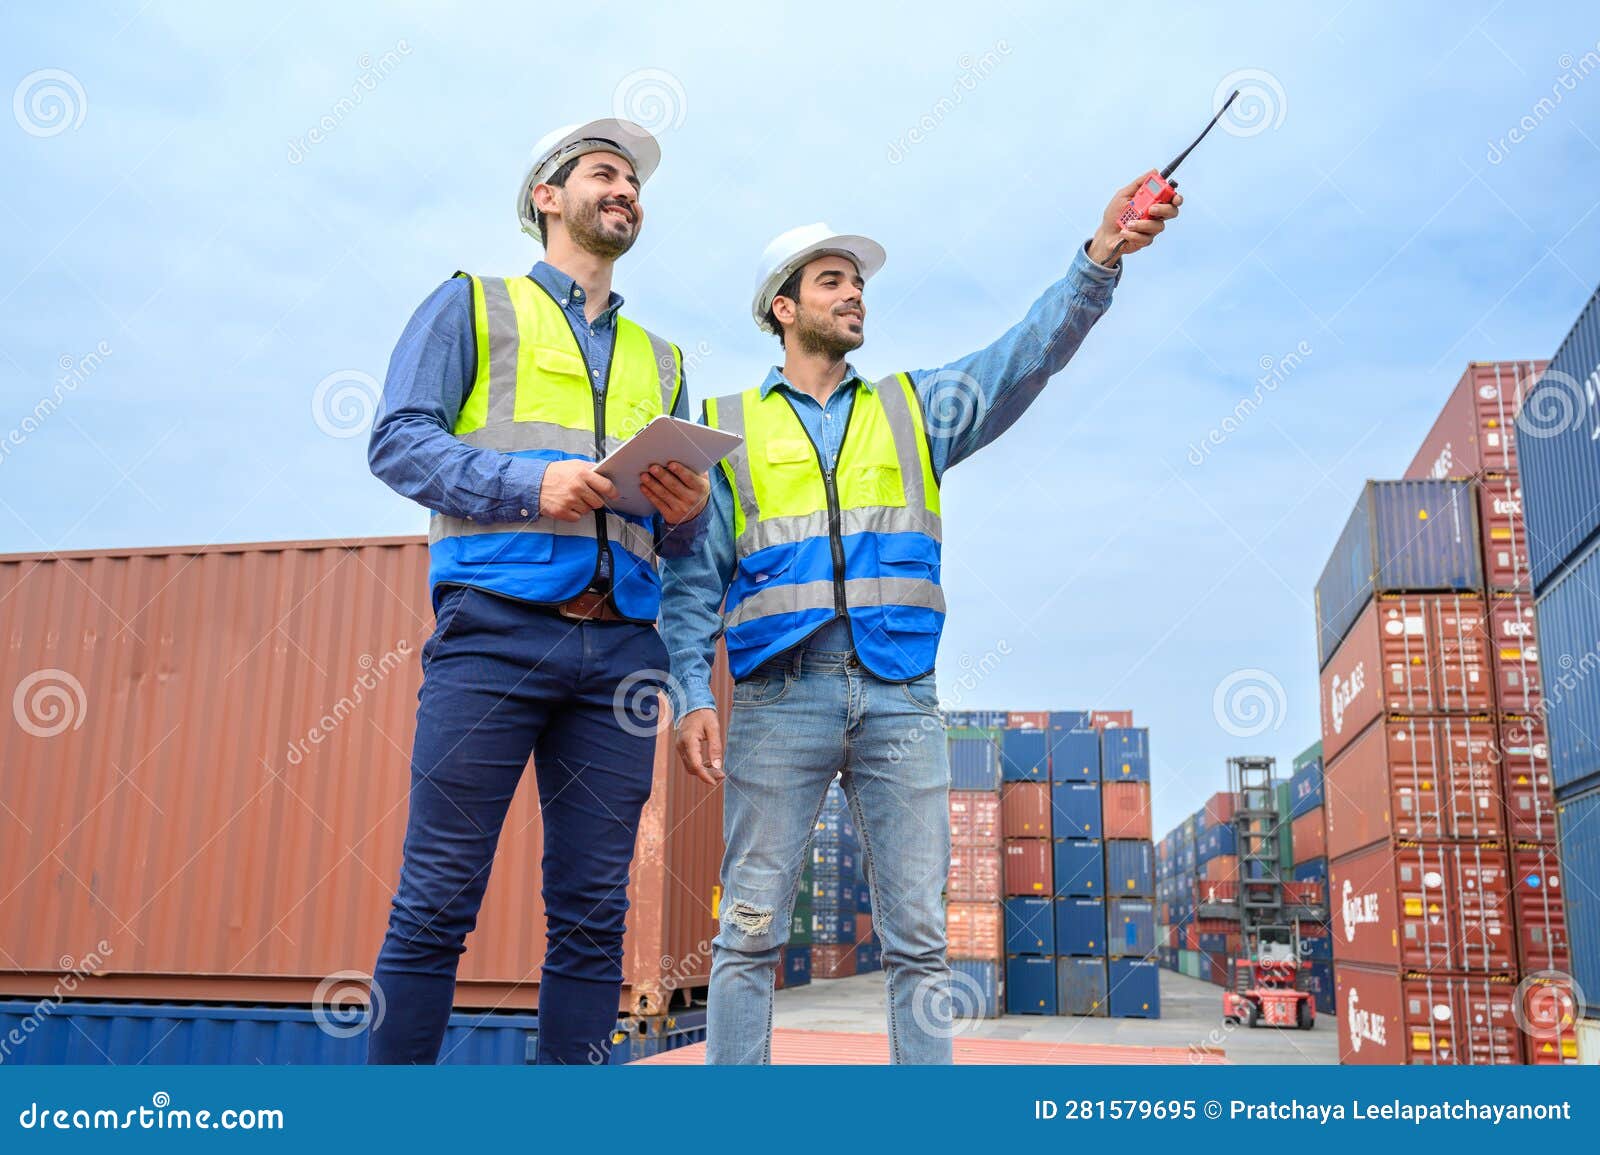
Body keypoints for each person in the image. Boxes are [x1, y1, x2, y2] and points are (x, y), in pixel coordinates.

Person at [660, 180, 1181, 1063]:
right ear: (784, 309)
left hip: (902, 699)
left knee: (919, 940)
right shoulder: (724, 430)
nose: (854, 291)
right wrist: (686, 692)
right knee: (747, 935)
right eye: (832, 280)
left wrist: (1098, 258)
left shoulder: (915, 408)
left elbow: (1027, 354)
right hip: (779, 699)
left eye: (857, 281)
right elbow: (689, 583)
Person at [364, 118, 710, 1065]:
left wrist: (683, 508)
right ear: (546, 198)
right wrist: (531, 483)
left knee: (597, 912)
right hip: (493, 636)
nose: (626, 189)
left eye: (634, 181)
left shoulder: (665, 358)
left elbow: (679, 541)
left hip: (622, 657)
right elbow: (396, 438)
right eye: (605, 173)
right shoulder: (471, 305)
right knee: (438, 892)